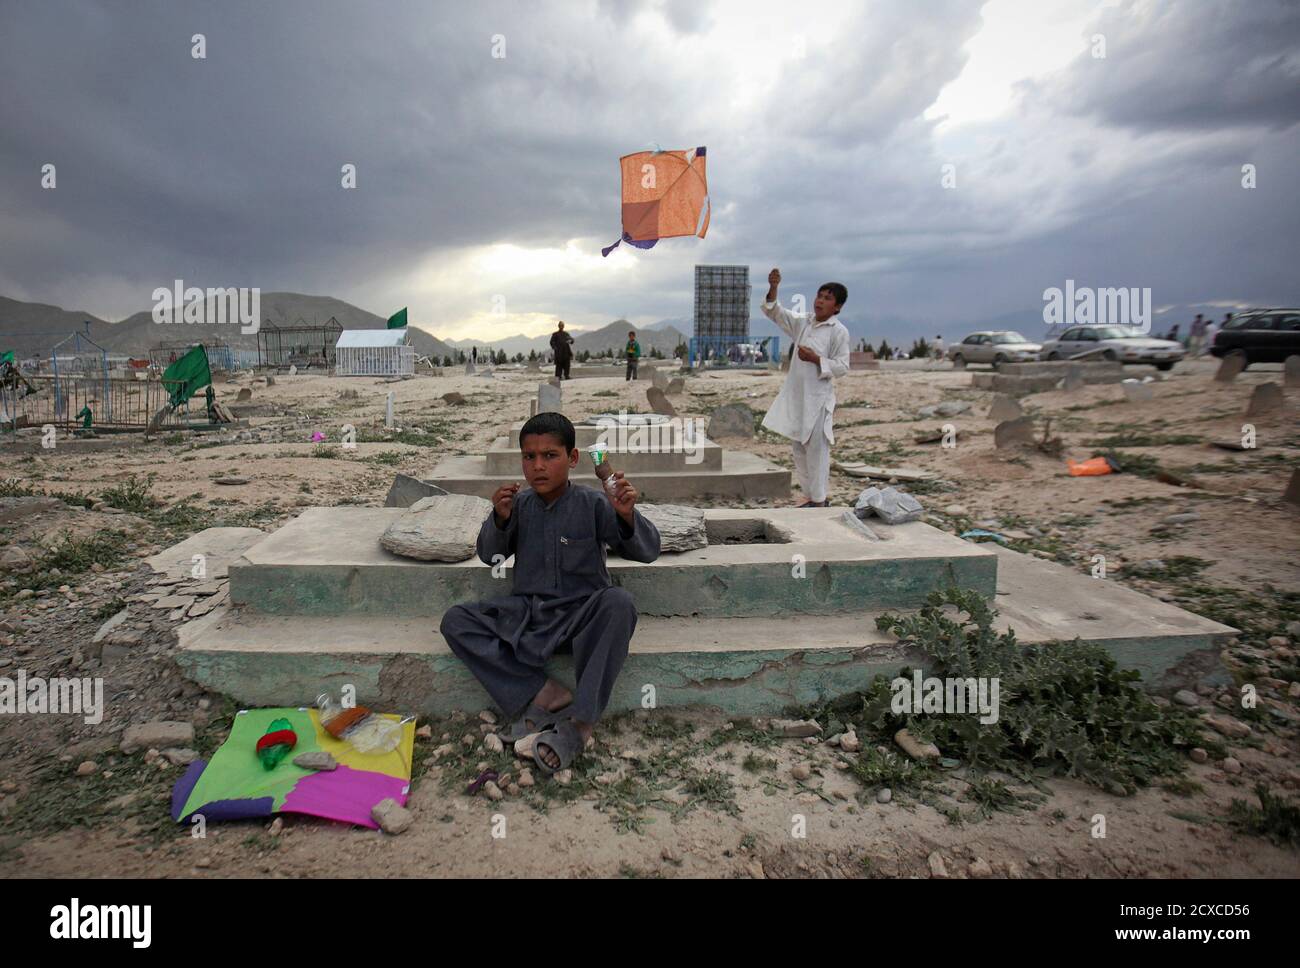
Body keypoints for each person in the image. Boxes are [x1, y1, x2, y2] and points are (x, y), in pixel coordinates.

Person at [439, 412, 661, 774]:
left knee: (618, 602)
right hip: (531, 617)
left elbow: (647, 551)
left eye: (550, 456)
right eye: (529, 457)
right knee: (456, 621)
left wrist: (627, 516)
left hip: (581, 618)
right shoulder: (518, 506)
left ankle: (580, 725)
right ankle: (544, 692)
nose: (538, 466)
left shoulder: (592, 503)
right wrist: (499, 520)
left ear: (572, 459)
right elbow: (490, 556)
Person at [758, 268, 852, 508]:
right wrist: (774, 287)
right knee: (799, 447)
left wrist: (816, 359)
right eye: (819, 296)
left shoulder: (838, 332)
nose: (820, 301)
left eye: (827, 298)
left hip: (818, 400)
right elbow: (775, 312)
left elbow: (842, 366)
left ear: (837, 307)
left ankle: (819, 500)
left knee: (817, 450)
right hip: (798, 397)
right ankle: (809, 495)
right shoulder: (804, 323)